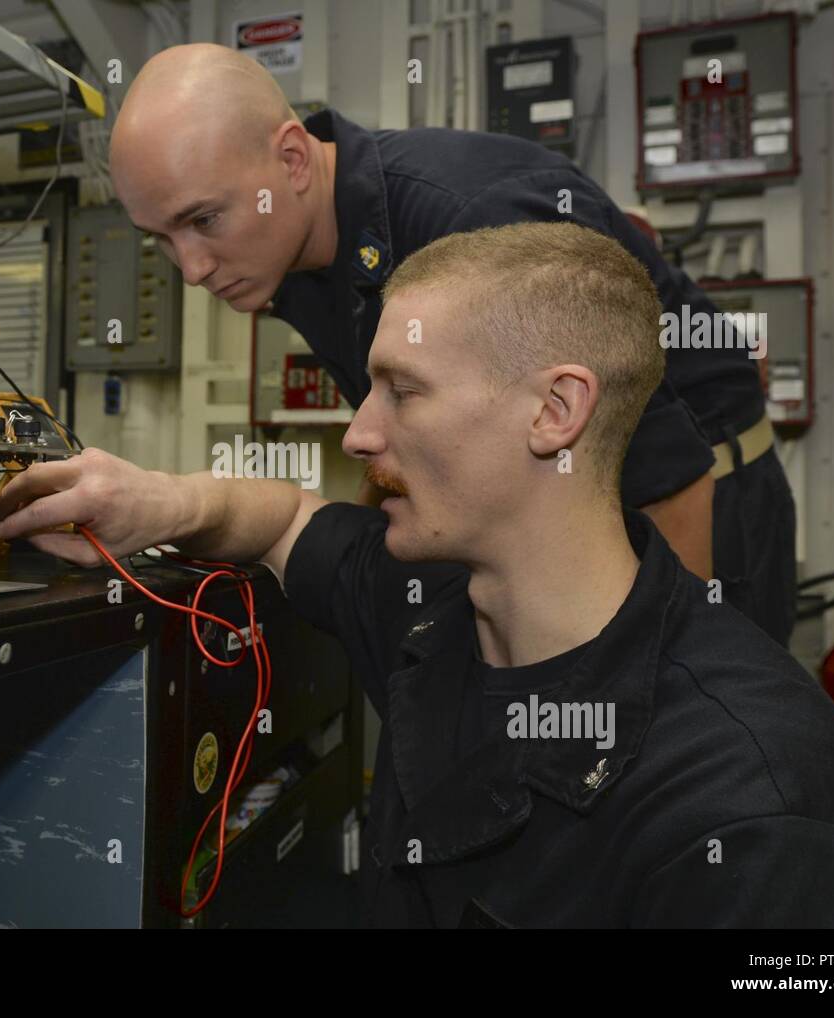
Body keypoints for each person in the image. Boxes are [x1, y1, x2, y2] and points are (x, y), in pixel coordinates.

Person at [0, 222, 834, 928]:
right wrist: (154, 499)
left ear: (555, 410)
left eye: (404, 389)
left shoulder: (767, 818)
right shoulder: (434, 608)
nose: (359, 432)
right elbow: (282, 519)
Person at [108, 42, 796, 645]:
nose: (191, 269)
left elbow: (664, 473)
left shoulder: (477, 221)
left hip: (700, 511)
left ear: (291, 159)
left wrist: (661, 700)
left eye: (204, 220)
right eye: (163, 239)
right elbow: (397, 438)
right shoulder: (298, 261)